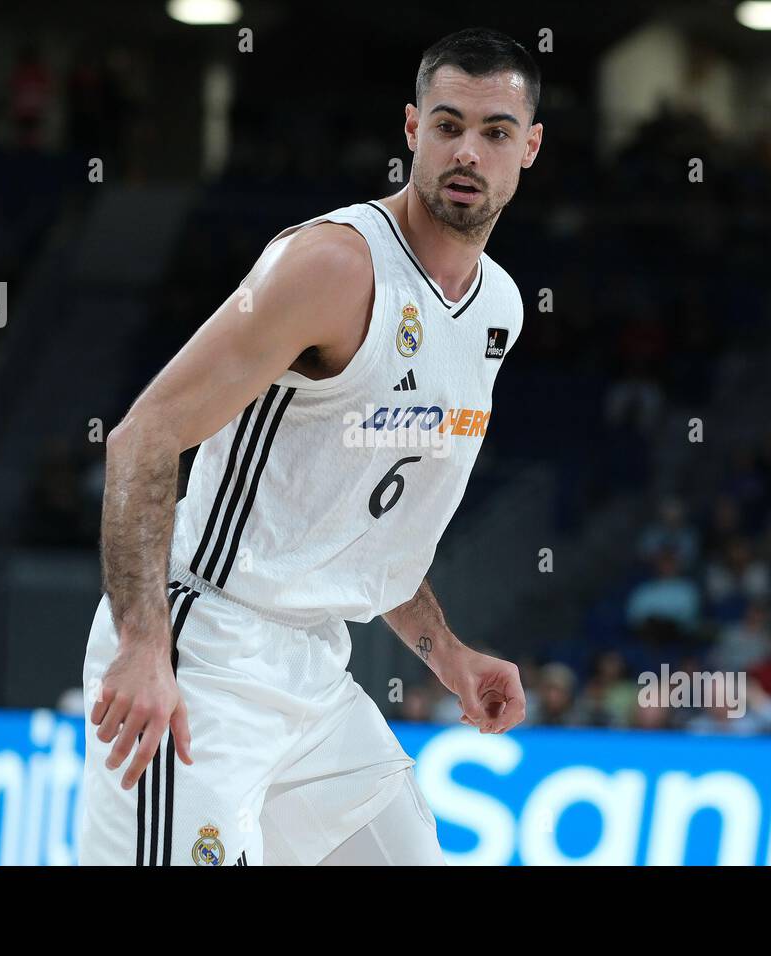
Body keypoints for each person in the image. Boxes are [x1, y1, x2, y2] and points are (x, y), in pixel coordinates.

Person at [80, 27, 541, 866]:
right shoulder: (332, 266)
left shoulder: (499, 309)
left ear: (530, 147)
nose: (468, 151)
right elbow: (143, 438)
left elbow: (370, 519)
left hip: (313, 670)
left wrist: (448, 655)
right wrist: (143, 647)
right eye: (447, 125)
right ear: (411, 131)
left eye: (495, 131)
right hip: (201, 652)